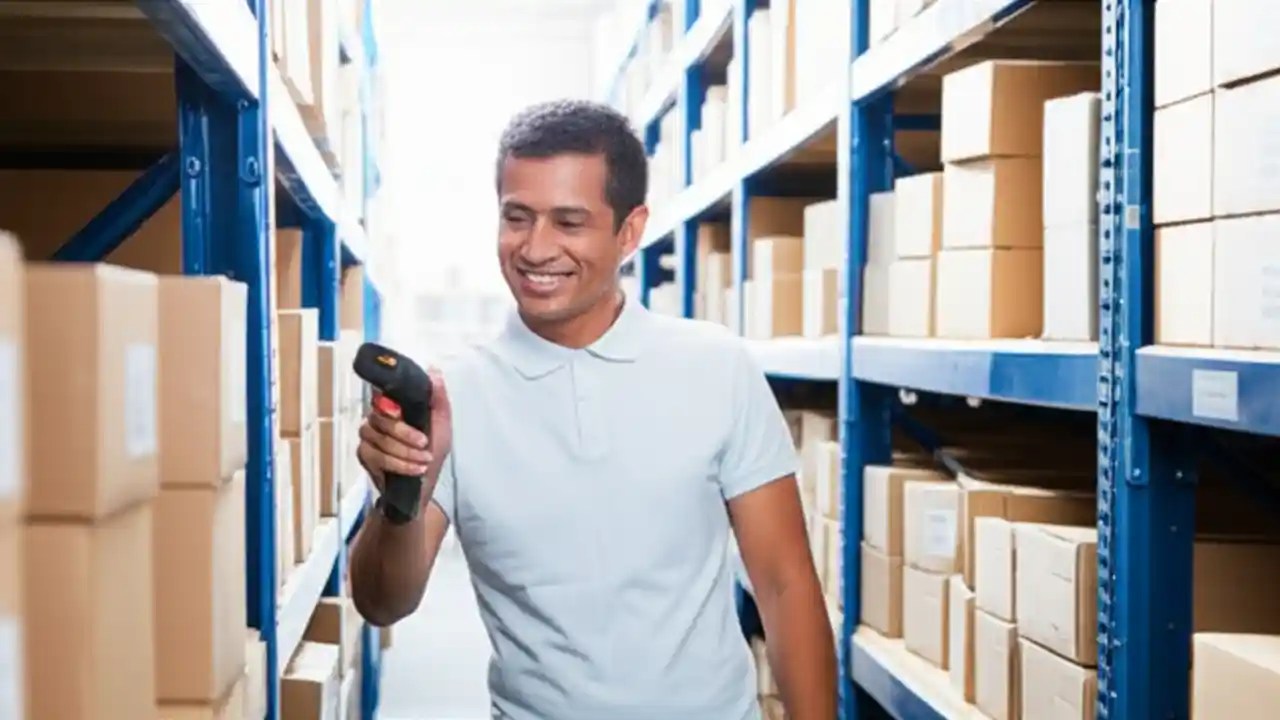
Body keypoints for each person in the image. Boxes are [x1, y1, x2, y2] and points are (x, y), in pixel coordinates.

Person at [349, 99, 837, 720]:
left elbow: (784, 583)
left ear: (630, 231)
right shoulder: (456, 398)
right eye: (516, 217)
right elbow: (382, 603)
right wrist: (401, 498)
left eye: (569, 222)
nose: (535, 248)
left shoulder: (717, 368)